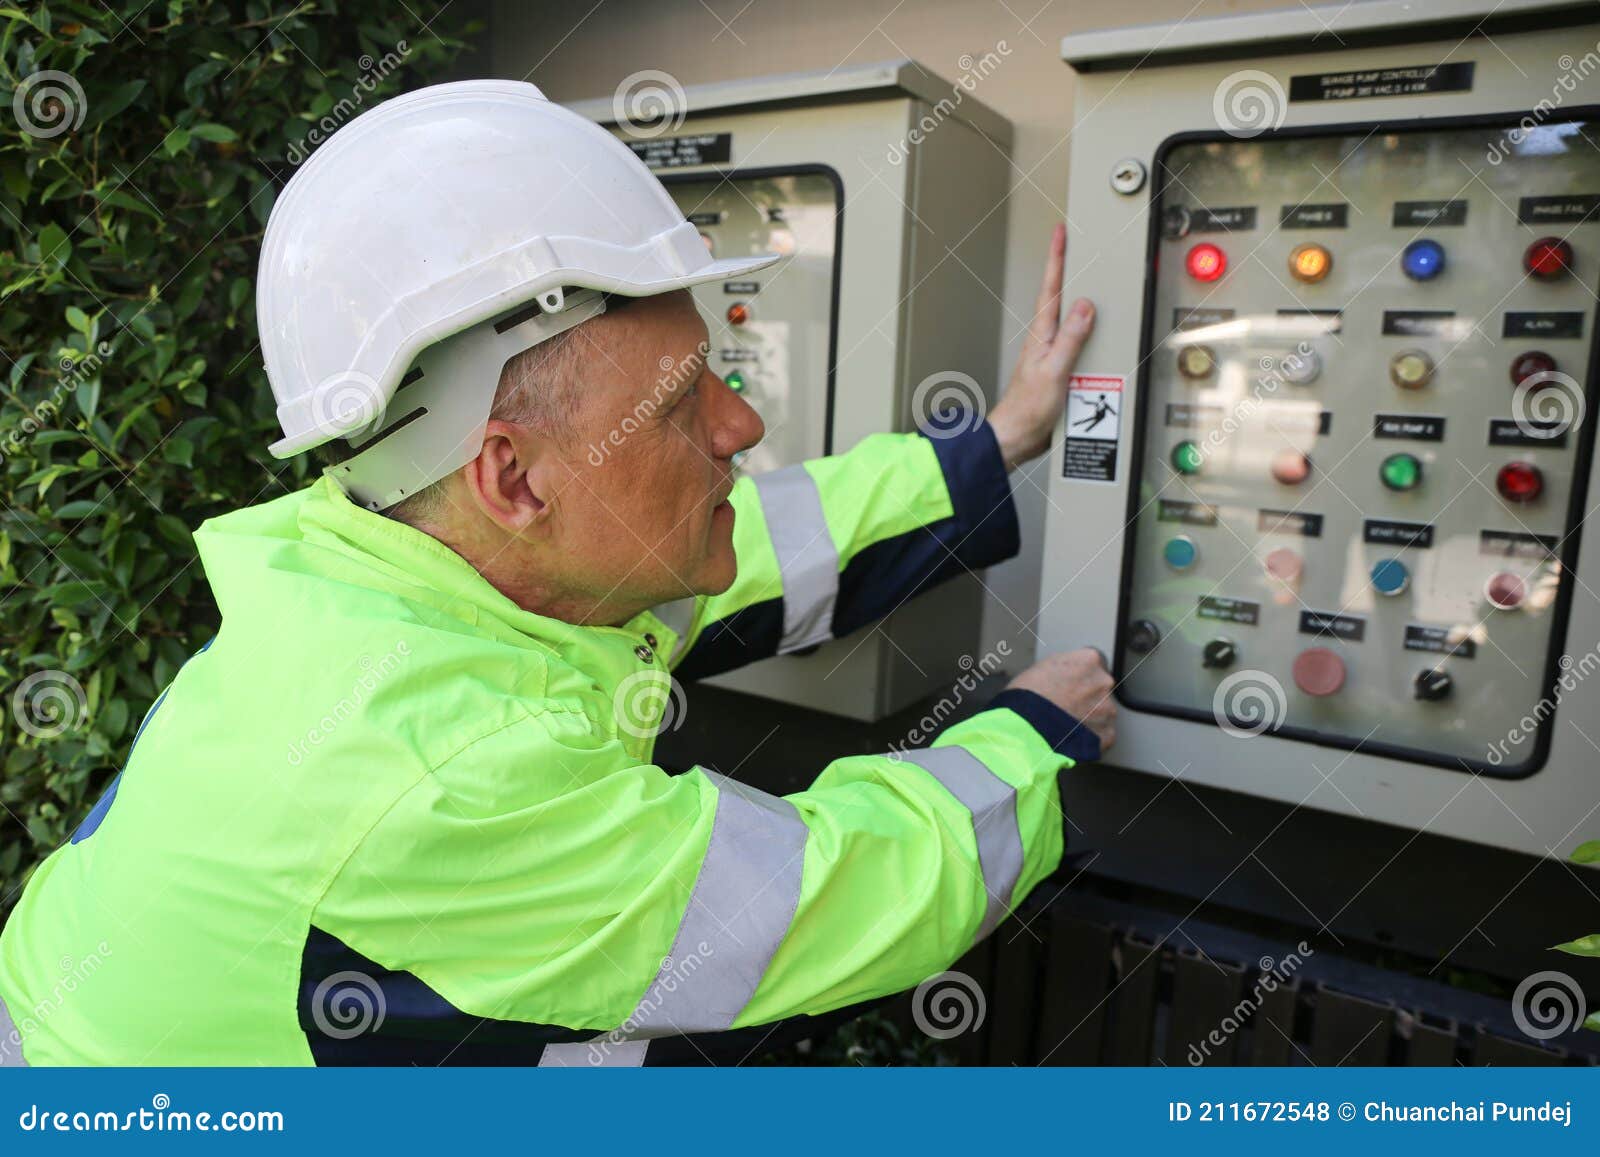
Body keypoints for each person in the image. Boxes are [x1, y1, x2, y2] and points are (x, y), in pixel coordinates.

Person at [0, 80, 1114, 1067]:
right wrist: (1028, 736)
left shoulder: (377, 559)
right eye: (680, 404)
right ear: (514, 479)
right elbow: (817, 899)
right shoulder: (449, 772)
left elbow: (732, 552)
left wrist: (987, 446)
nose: (743, 421)